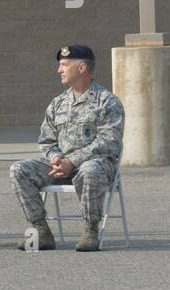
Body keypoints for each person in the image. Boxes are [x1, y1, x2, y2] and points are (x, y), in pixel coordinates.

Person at [9, 45, 125, 252]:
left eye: (64, 65)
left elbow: (109, 141)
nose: (59, 70)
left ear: (82, 68)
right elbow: (47, 140)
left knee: (90, 170)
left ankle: (91, 230)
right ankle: (41, 231)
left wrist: (73, 161)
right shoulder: (58, 103)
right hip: (60, 166)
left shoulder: (107, 102)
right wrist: (56, 159)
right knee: (19, 169)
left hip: (96, 166)